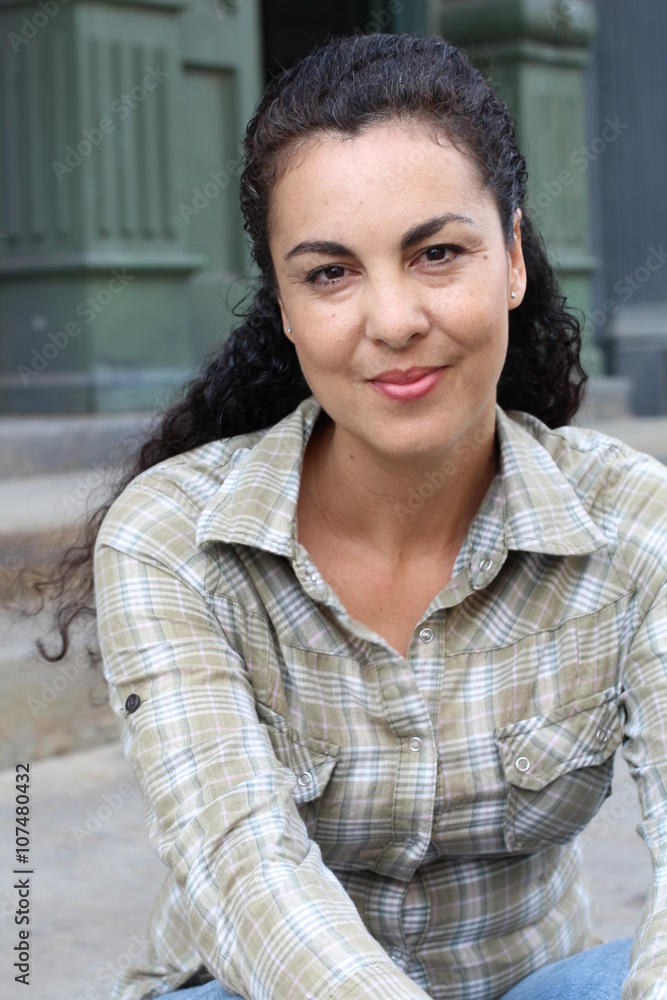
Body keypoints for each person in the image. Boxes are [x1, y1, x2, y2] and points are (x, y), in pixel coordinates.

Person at [50, 30, 666, 1000]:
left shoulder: (633, 523)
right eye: (330, 272)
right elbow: (243, 865)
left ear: (511, 256)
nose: (390, 319)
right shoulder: (173, 537)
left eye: (436, 253)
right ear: (285, 307)